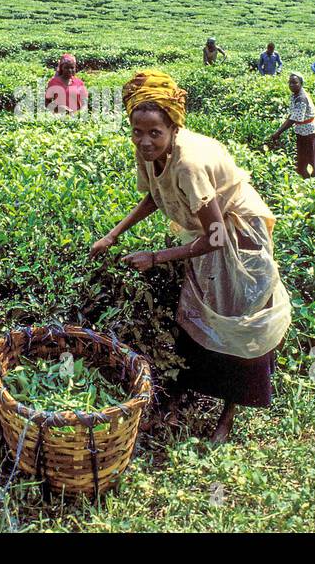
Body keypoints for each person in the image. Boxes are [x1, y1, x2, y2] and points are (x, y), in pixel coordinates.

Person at [90, 71, 292, 444]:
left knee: (238, 322)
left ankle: (229, 413)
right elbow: (156, 195)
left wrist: (156, 256)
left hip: (238, 235)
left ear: (173, 127)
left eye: (155, 132)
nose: (145, 141)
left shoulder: (190, 164)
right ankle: (189, 391)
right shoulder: (148, 154)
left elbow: (216, 236)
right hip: (208, 233)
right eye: (137, 131)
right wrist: (113, 234)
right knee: (199, 312)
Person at [266, 72, 315, 177]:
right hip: (303, 130)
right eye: (290, 83)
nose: (291, 85)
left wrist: (278, 133)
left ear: (301, 83)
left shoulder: (301, 98)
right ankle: (308, 176)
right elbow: (292, 114)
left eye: (295, 83)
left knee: (311, 157)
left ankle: (312, 178)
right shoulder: (295, 95)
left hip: (309, 131)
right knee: (306, 156)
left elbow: (294, 118)